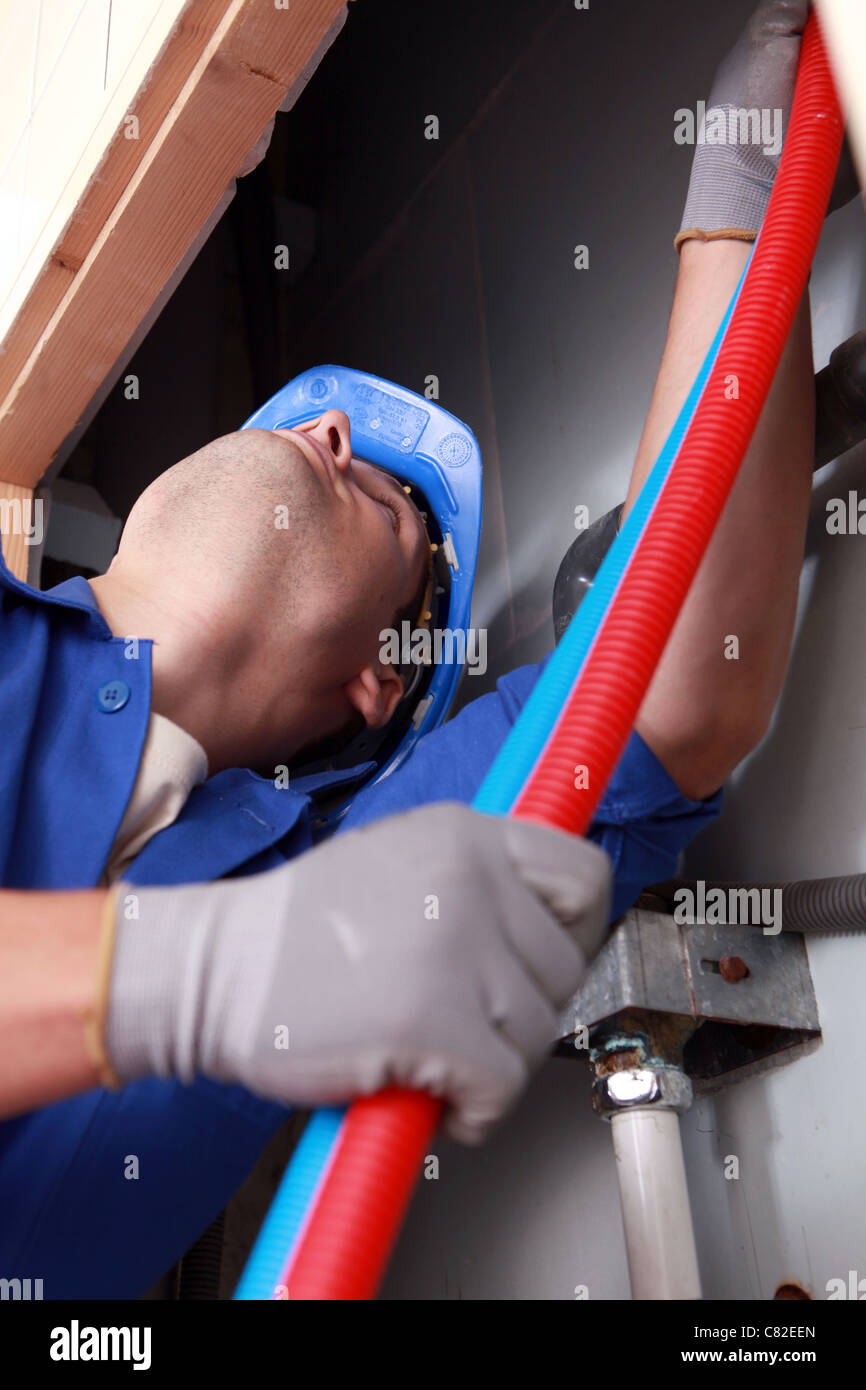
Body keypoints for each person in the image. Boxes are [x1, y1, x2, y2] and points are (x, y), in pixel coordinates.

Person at [0, 0, 856, 1298]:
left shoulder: (348, 862)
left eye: (386, 504)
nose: (330, 438)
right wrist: (192, 975)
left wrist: (738, 199)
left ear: (375, 681)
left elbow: (672, 687)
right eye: (323, 434)